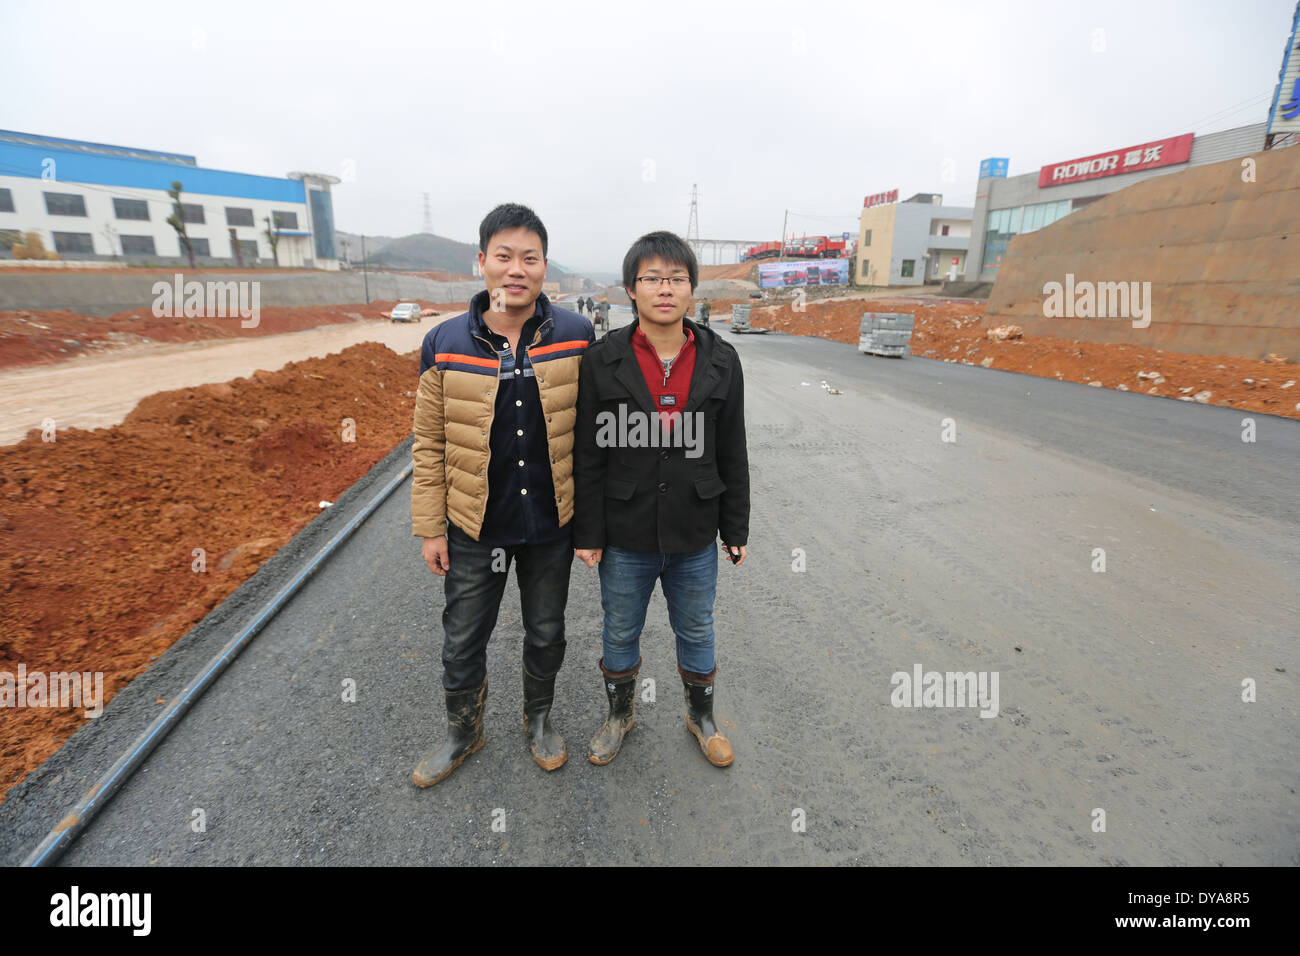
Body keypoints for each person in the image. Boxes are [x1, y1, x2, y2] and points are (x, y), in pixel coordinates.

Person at [410, 203, 594, 787]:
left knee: (547, 630)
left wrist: (593, 524)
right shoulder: (442, 343)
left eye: (530, 258)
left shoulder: (576, 336)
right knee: (463, 634)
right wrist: (431, 526)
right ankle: (463, 731)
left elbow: (592, 439)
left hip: (550, 524)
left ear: (545, 267)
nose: (517, 269)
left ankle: (538, 720)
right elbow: (429, 445)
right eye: (504, 256)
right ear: (482, 261)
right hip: (473, 524)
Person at [573, 231, 750, 768]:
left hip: (694, 529)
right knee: (620, 628)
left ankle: (702, 718)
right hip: (626, 530)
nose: (665, 289)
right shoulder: (603, 359)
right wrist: (588, 532)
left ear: (693, 288)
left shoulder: (722, 359)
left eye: (676, 278)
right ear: (631, 289)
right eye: (652, 278)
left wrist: (735, 528)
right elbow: (587, 452)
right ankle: (619, 714)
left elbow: (732, 448)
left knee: (696, 628)